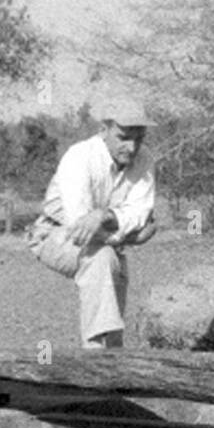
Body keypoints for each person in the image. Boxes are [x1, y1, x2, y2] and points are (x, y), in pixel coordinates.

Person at [28, 100, 158, 348]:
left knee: (110, 273)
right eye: (123, 137)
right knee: (102, 260)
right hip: (54, 234)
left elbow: (141, 211)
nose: (131, 147)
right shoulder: (80, 156)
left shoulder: (145, 158)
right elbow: (80, 225)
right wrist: (130, 235)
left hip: (106, 242)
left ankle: (112, 361)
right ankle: (94, 354)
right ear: (103, 131)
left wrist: (105, 215)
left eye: (138, 138)